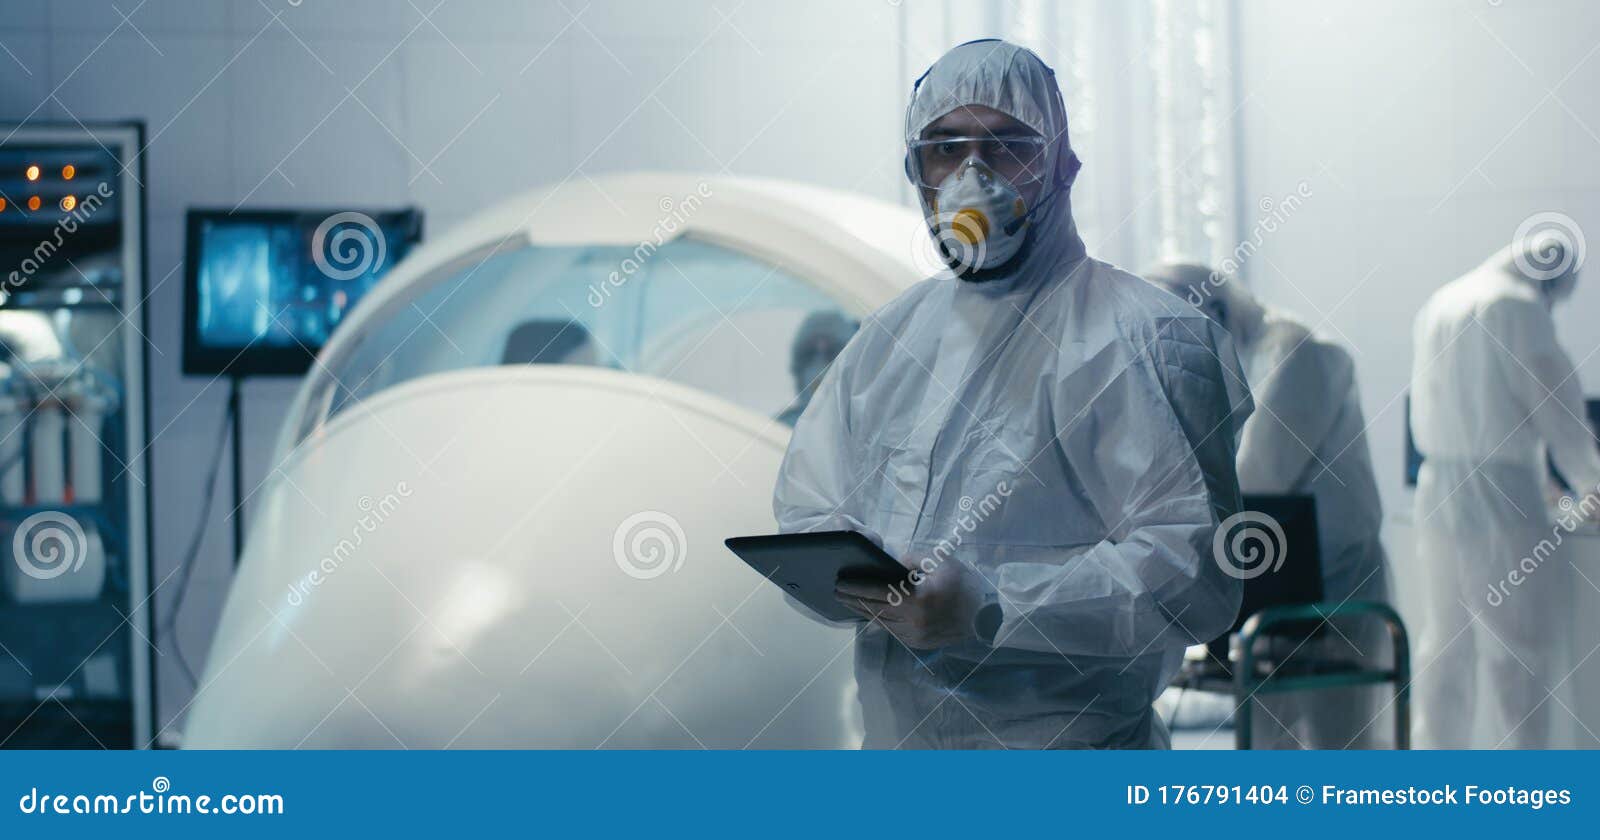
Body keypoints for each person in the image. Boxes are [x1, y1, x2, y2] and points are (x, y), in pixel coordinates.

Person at [771, 39, 1253, 749]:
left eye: (1007, 147)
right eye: (945, 149)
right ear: (917, 170)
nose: (971, 177)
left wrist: (995, 606)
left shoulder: (1148, 337)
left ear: (1064, 164)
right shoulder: (890, 340)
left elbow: (1196, 572)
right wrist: (848, 576)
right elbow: (810, 506)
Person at [1146, 263, 1392, 749]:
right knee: (1269, 743)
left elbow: (1259, 474)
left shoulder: (1297, 353)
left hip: (1336, 587)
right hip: (1274, 588)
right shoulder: (1242, 357)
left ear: (1211, 310)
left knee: (1341, 747)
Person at [1411, 233, 1600, 749]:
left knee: (1444, 643)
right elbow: (1556, 408)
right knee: (1516, 647)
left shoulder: (1443, 300)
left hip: (1437, 487)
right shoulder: (1517, 306)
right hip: (1500, 494)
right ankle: (1523, 785)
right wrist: (1591, 484)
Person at [777, 311, 857, 427]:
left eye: (832, 353)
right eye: (809, 353)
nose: (819, 365)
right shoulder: (780, 427)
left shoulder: (868, 431)